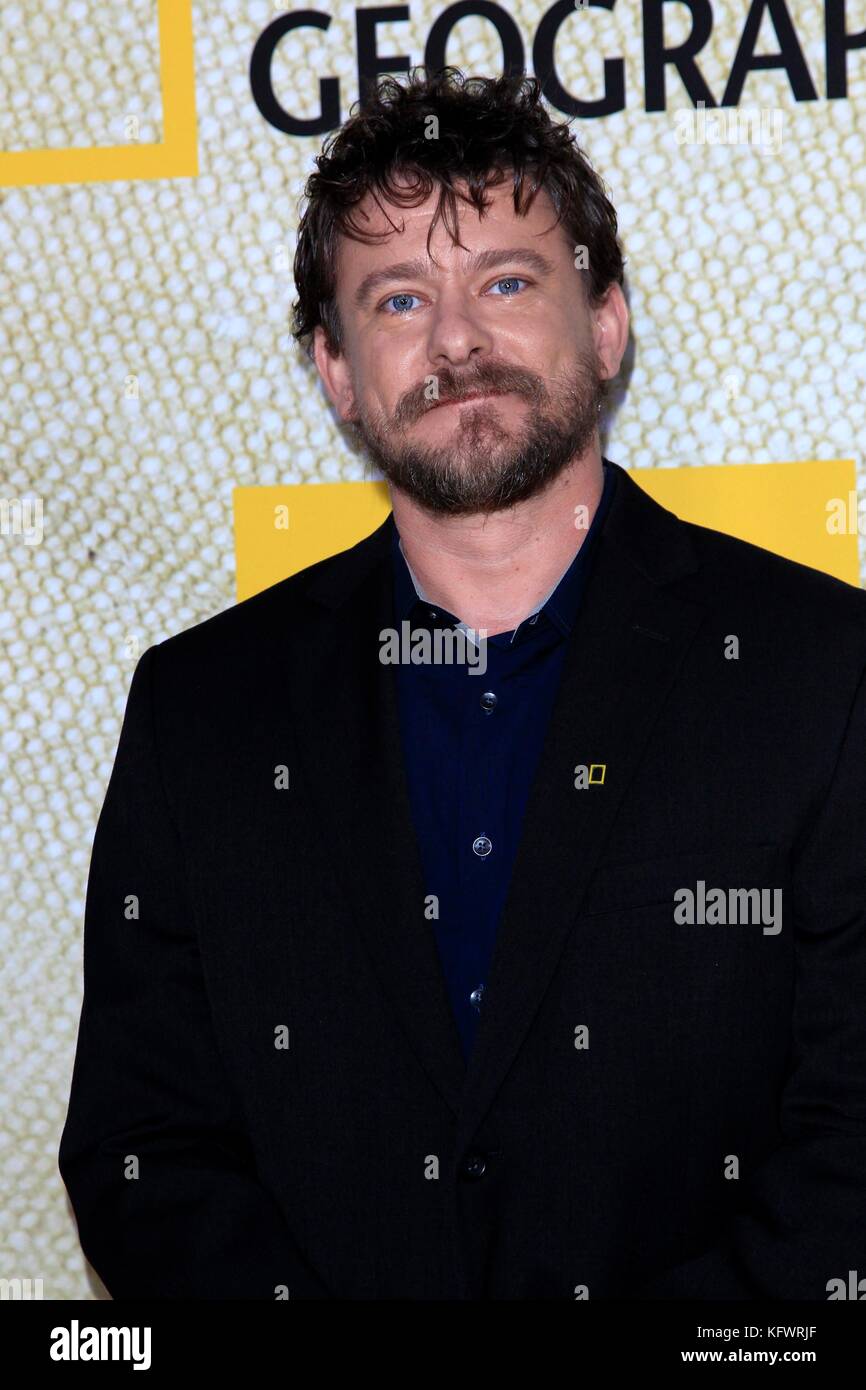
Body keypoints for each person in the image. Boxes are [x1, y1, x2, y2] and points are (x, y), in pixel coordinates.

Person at [59, 67, 866, 1300]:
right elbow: (142, 1150)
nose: (454, 340)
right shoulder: (201, 712)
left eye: (504, 282)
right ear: (335, 372)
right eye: (397, 298)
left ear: (605, 325)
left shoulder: (821, 671)